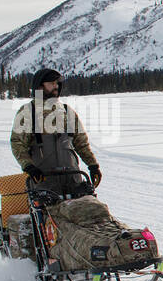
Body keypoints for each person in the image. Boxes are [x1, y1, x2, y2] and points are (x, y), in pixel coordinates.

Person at [10, 67, 100, 197]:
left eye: (57, 83)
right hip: (44, 182)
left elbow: (81, 143)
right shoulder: (27, 112)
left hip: (72, 180)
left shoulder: (66, 111)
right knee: (51, 217)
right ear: (40, 86)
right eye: (51, 83)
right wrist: (29, 167)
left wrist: (92, 165)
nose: (56, 86)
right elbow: (17, 144)